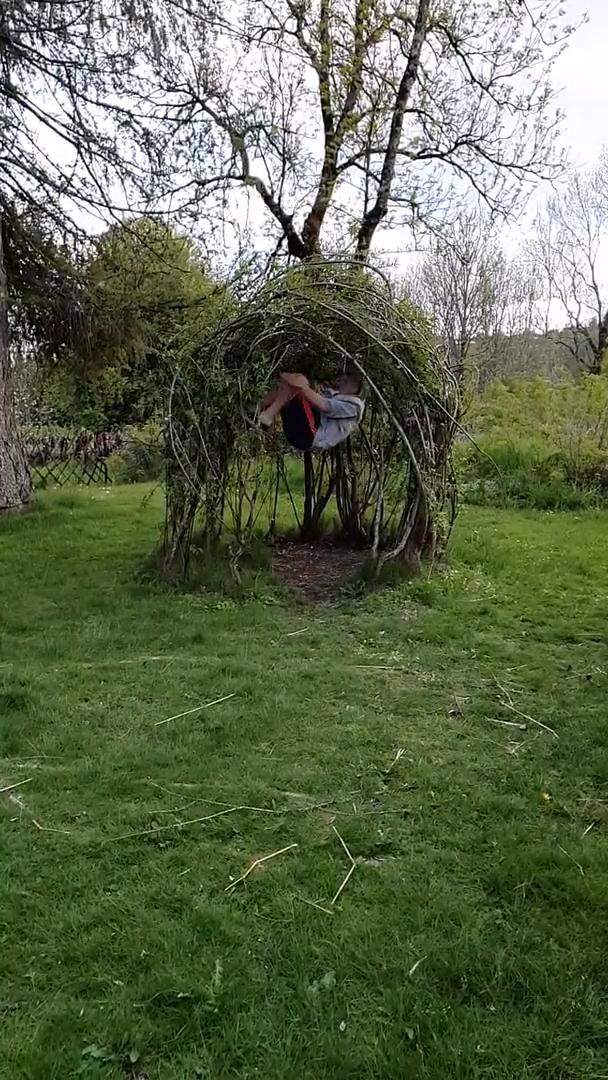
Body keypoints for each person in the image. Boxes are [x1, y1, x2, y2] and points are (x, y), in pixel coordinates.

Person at [246, 369, 365, 452]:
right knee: (286, 386)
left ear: (355, 385)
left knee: (295, 388)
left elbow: (326, 406)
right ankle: (258, 409)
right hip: (301, 433)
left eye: (346, 378)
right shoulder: (336, 394)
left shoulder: (354, 406)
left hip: (309, 435)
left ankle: (266, 414)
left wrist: (303, 386)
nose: (341, 380)